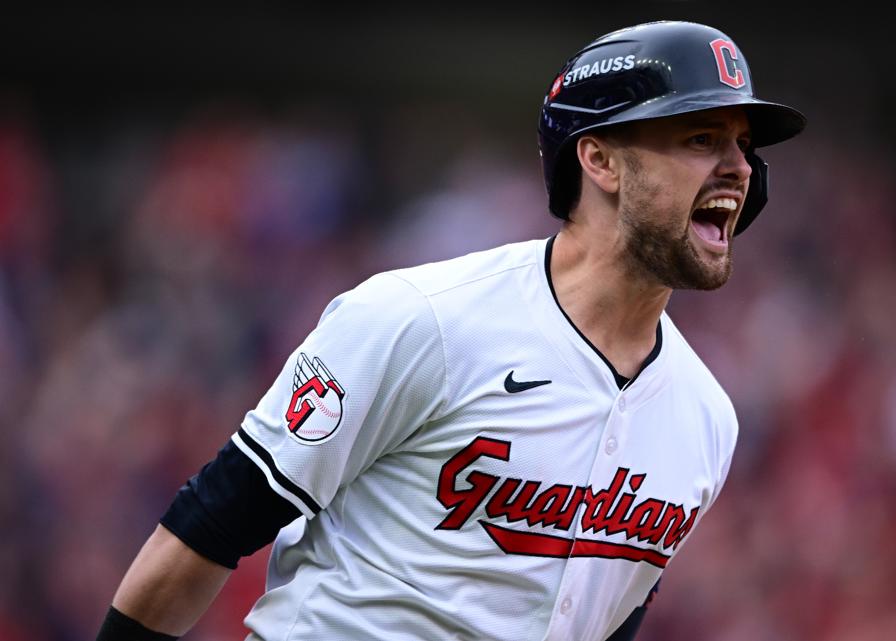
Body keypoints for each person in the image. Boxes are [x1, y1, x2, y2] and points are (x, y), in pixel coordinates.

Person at [98, 20, 805, 641]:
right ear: (600, 159)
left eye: (744, 146)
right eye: (701, 137)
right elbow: (211, 524)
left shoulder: (707, 418)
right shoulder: (421, 317)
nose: (740, 168)